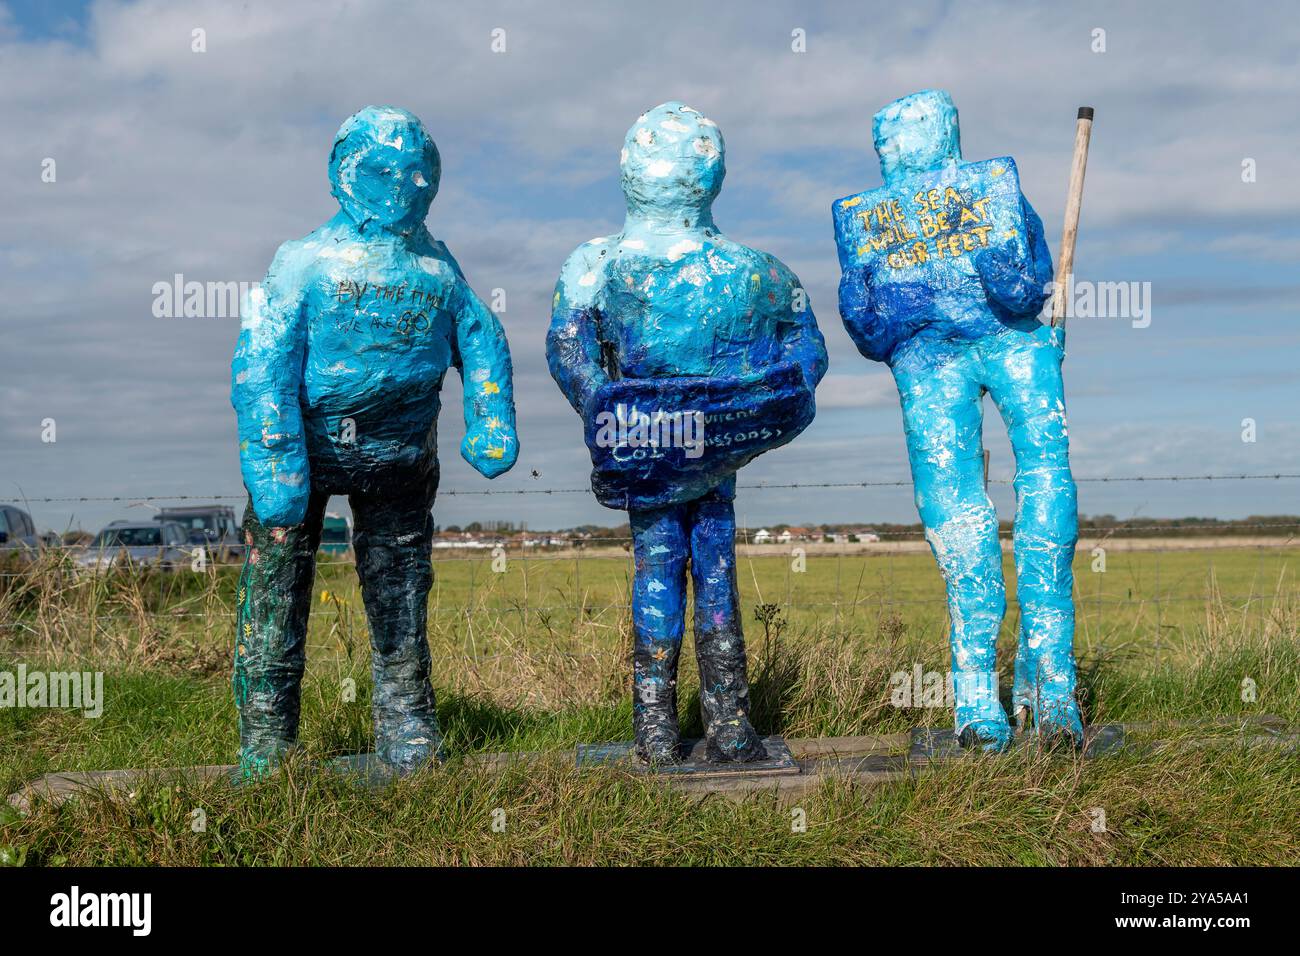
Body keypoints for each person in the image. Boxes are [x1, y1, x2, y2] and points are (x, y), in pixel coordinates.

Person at [231, 106, 518, 776]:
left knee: (401, 593)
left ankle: (408, 731)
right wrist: (274, 459)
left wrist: (491, 415)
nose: (406, 186)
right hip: (305, 452)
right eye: (386, 171)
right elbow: (263, 358)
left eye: (421, 173)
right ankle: (268, 743)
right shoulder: (302, 263)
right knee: (277, 594)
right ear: (344, 173)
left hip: (399, 456)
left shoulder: (437, 266)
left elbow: (482, 338)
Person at [548, 102, 827, 764]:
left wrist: (612, 408)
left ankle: (689, 724)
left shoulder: (606, 262)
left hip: (671, 439)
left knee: (681, 564)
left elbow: (569, 351)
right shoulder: (753, 269)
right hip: (663, 441)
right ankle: (695, 722)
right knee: (694, 564)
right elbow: (806, 352)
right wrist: (608, 407)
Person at [833, 89, 1081, 752]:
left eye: (892, 141)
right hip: (979, 354)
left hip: (966, 356)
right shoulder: (979, 194)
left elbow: (868, 326)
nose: (890, 152)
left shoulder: (886, 214)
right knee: (1021, 495)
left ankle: (1017, 698)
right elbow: (1021, 287)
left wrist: (893, 295)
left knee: (978, 508)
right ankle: (1023, 698)